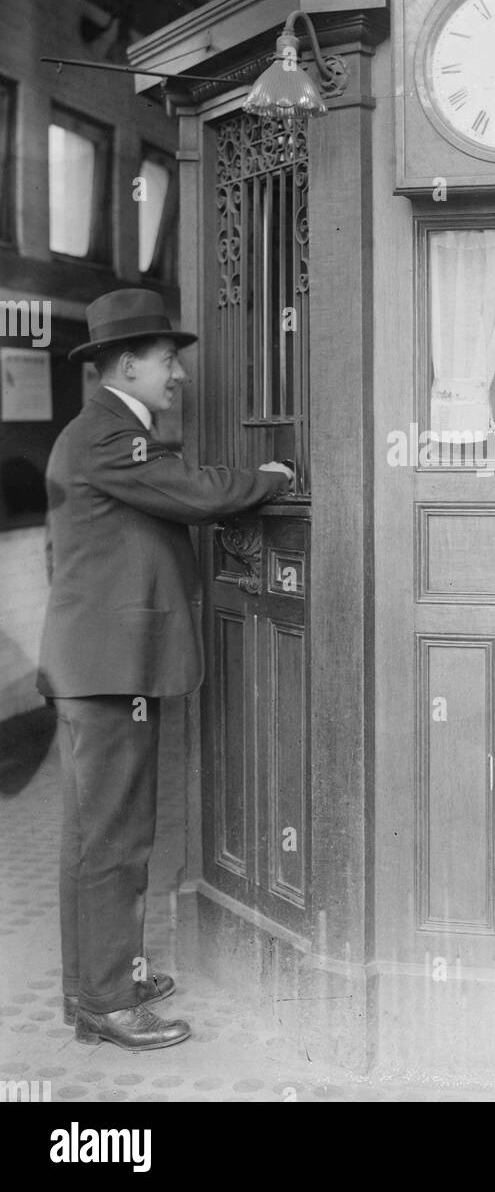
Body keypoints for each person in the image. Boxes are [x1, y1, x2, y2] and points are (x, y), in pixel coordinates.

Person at [36, 288, 295, 1051]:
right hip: (108, 671)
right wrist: (271, 478)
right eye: (166, 361)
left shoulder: (105, 433)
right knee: (113, 839)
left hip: (104, 667)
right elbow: (194, 493)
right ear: (125, 365)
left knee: (98, 836)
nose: (178, 374)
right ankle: (111, 1001)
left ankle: (97, 989)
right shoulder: (112, 437)